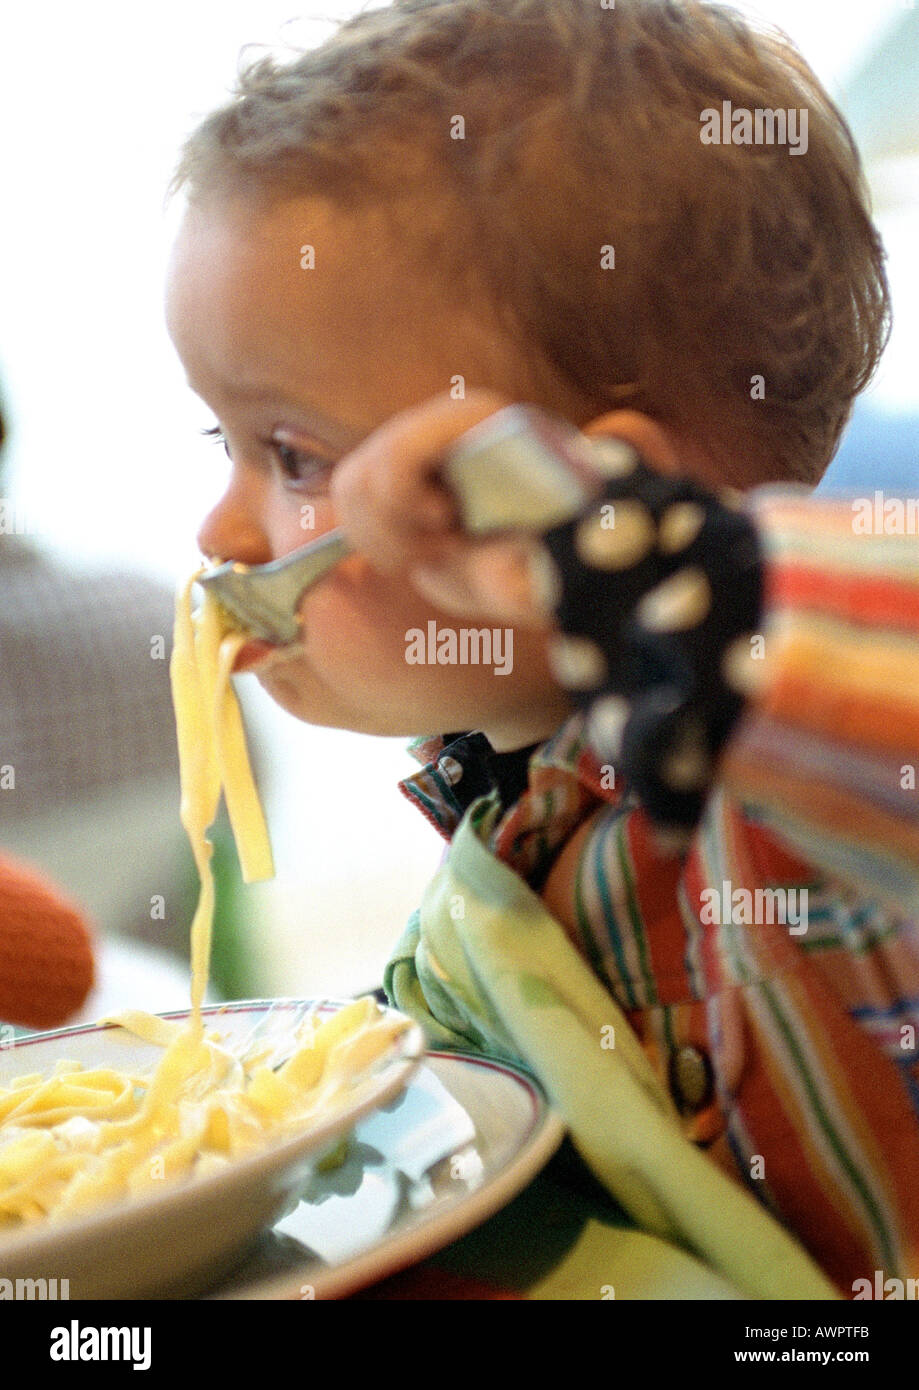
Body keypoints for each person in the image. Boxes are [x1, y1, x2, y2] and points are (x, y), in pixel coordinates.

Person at [163, 0, 908, 1295]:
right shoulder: (497, 864)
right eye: (219, 443)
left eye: (292, 454)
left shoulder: (782, 787)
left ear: (571, 491)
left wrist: (648, 574)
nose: (220, 531)